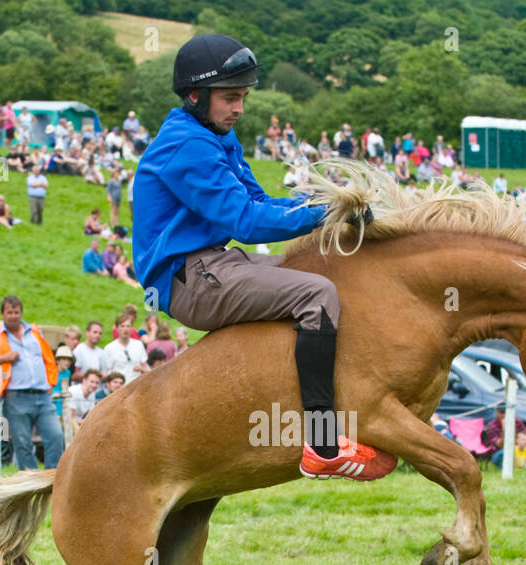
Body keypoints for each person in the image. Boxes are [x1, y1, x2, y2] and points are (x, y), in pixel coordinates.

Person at [133, 33, 391, 480]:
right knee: (317, 295)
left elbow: (260, 199)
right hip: (188, 278)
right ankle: (323, 443)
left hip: (216, 263)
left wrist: (328, 208)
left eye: (243, 98)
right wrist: (327, 212)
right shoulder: (189, 145)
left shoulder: (217, 136)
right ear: (195, 96)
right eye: (229, 98)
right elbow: (248, 223)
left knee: (324, 272)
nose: (239, 108)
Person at [0, 295, 65, 470]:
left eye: (17, 312)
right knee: (22, 442)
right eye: (9, 312)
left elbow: (48, 359)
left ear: (21, 313)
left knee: (56, 435)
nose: (14, 316)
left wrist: (51, 383)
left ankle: (53, 478)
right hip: (16, 396)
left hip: (42, 395)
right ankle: (31, 480)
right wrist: (4, 358)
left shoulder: (35, 332)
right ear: (2, 314)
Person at [101, 312, 147, 383]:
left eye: (128, 326)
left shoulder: (138, 345)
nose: (125, 329)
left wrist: (141, 369)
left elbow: (146, 369)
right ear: (117, 328)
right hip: (119, 388)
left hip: (136, 385)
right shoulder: (109, 348)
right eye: (122, 326)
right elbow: (106, 372)